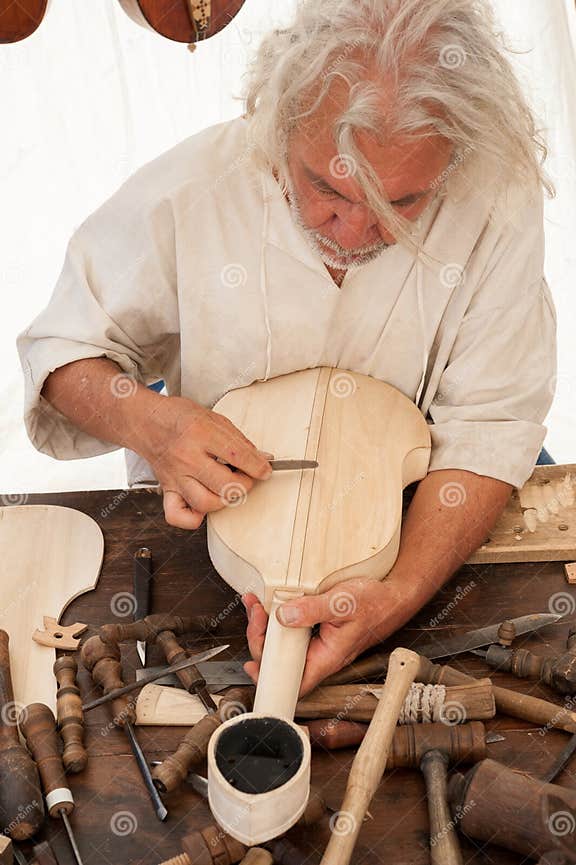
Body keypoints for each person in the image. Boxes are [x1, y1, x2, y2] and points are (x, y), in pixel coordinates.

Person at [17, 0, 557, 695]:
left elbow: (491, 423)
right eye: (327, 187)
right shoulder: (199, 187)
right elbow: (62, 351)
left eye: (405, 202)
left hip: (421, 521)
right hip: (221, 537)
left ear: (458, 156)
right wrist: (155, 425)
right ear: (279, 121)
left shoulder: (494, 199)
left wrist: (398, 594)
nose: (359, 228)